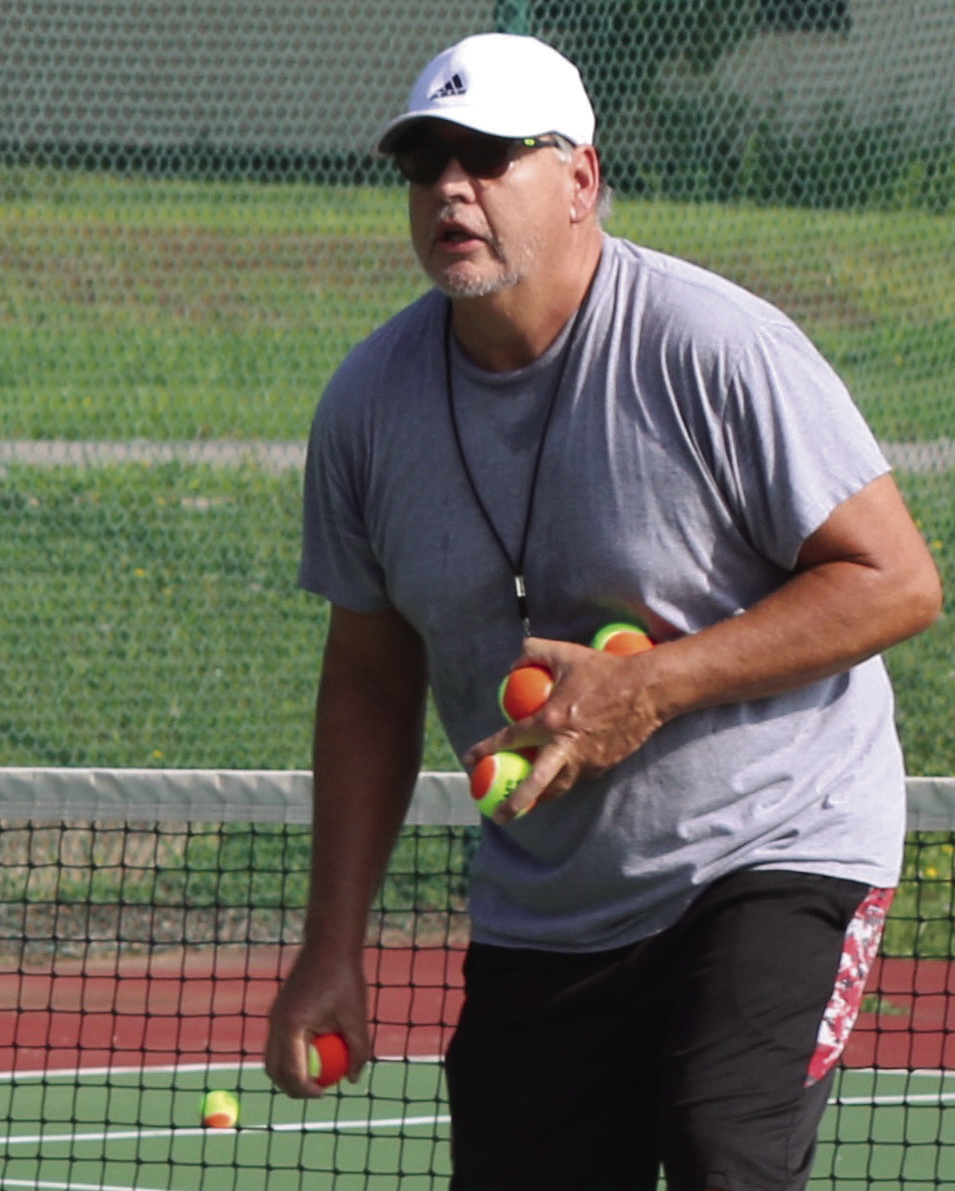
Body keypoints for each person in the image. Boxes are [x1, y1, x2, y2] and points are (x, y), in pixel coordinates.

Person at [264, 31, 942, 1191]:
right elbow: (372, 676)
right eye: (425, 167)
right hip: (553, 904)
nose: (449, 191)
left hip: (774, 844)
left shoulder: (713, 347)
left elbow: (898, 580)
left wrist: (654, 684)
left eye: (488, 158)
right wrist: (331, 947)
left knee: (725, 1156)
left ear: (580, 177)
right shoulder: (368, 408)